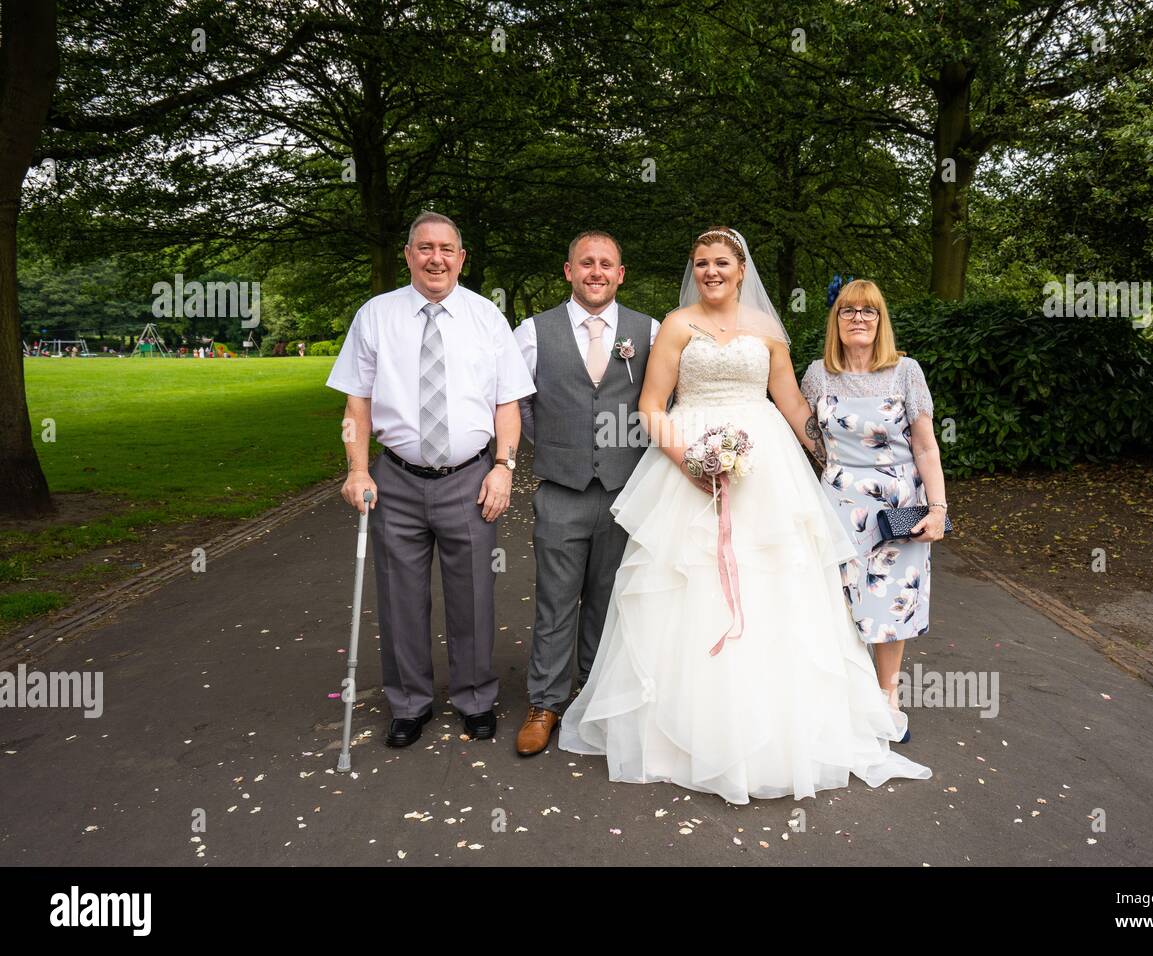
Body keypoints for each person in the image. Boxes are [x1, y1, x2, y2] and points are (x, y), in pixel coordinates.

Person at [559, 227, 931, 803]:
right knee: (686, 583)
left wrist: (859, 458)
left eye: (722, 263)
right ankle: (683, 728)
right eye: (702, 262)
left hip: (765, 468)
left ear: (740, 269)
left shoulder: (767, 332)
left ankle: (778, 724)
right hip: (690, 463)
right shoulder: (678, 326)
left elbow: (797, 408)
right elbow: (652, 406)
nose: (712, 271)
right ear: (695, 270)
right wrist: (690, 461)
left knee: (778, 583)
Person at [328, 211, 535, 747]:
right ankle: (409, 703)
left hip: (469, 478)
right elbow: (358, 402)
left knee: (472, 596)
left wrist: (504, 468)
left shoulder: (487, 317)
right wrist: (356, 468)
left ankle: (475, 699)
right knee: (400, 596)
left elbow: (507, 405)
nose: (435, 258)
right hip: (394, 479)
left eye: (446, 249)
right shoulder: (375, 315)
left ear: (461, 258)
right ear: (408, 254)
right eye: (425, 248)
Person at [511, 231, 659, 756]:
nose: (596, 271)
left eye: (607, 264)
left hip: (625, 489)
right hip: (561, 489)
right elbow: (518, 402)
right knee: (555, 602)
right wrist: (556, 444)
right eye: (586, 263)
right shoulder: (532, 332)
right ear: (568, 271)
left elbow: (661, 400)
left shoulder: (650, 330)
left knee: (610, 600)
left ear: (621, 274)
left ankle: (596, 700)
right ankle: (545, 703)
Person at [800, 280, 948, 739]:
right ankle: (843, 697)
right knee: (837, 601)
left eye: (869, 311)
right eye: (848, 311)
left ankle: (887, 699)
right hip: (837, 504)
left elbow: (925, 446)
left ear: (881, 320)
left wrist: (937, 508)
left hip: (898, 507)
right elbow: (807, 440)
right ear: (835, 321)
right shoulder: (817, 375)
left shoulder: (906, 372)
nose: (858, 318)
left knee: (890, 603)